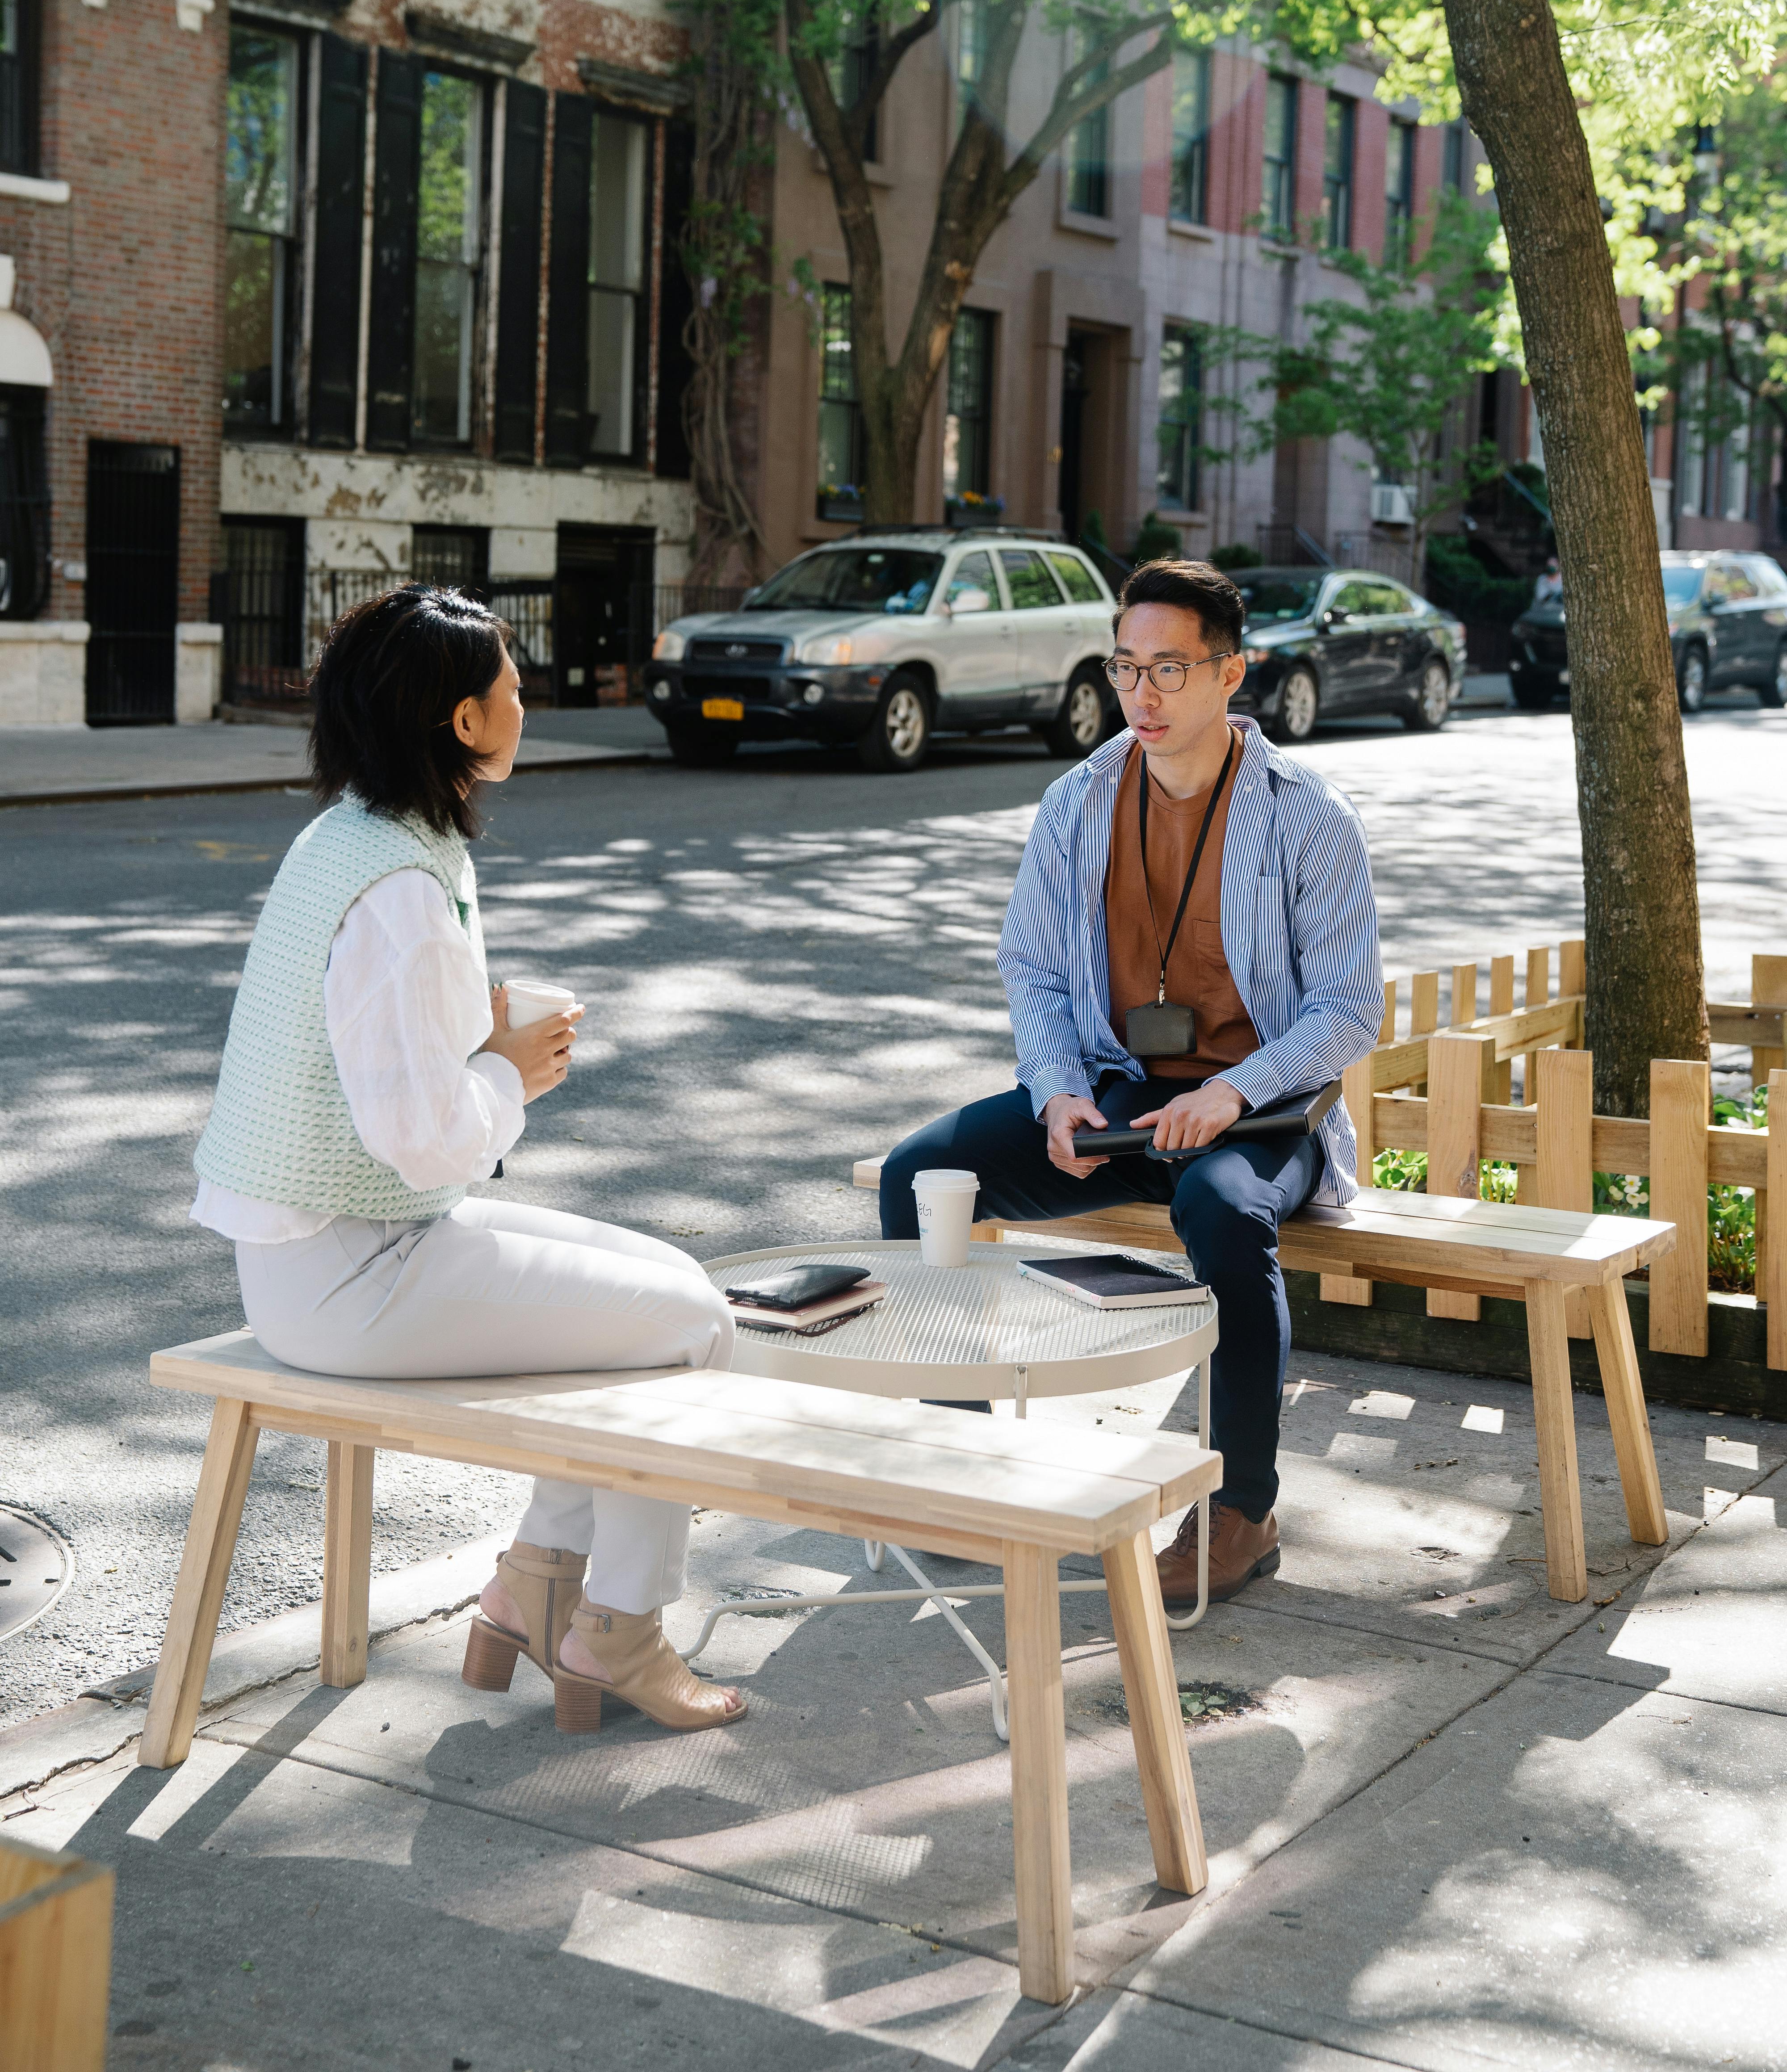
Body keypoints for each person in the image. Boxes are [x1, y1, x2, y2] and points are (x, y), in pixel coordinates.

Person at [190, 584, 743, 1736]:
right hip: (353, 1282)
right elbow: (425, 1136)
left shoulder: (364, 837)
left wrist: (479, 1051)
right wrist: (509, 1069)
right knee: (689, 1327)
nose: (525, 704)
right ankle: (618, 1629)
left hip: (341, 1253)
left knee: (676, 1300)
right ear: (461, 722)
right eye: (512, 685)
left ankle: (533, 1587)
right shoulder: (400, 889)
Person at [881, 559, 1382, 1612]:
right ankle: (957, 1464)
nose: (1141, 695)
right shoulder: (1079, 799)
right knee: (921, 1171)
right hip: (1115, 1096)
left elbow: (1347, 1010)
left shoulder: (1308, 817)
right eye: (1124, 667)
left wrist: (1234, 1093)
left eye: (1169, 668)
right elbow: (1030, 963)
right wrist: (1056, 1088)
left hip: (1261, 1112)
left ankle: (1241, 1509)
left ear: (1230, 675)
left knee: (1219, 1207)